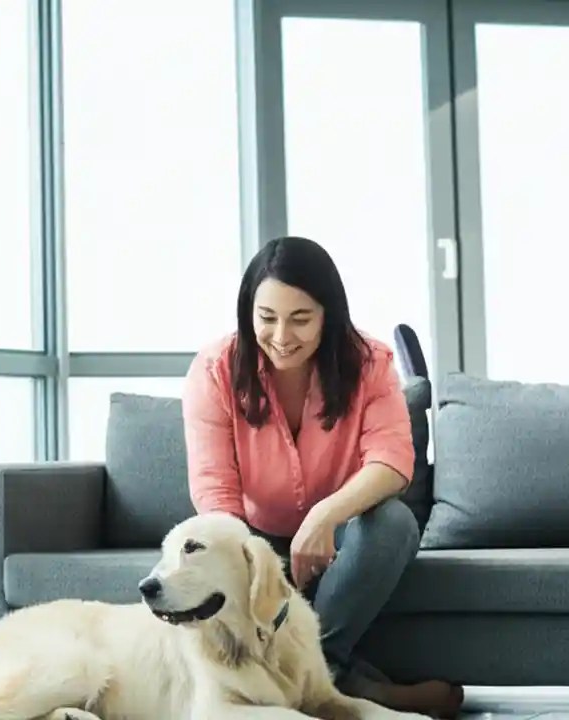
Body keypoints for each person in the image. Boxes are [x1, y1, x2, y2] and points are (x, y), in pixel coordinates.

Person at [182, 236, 463, 718]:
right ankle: (344, 687)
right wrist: (256, 566)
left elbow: (393, 460)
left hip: (344, 547)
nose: (281, 335)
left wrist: (325, 516)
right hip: (258, 545)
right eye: (266, 317)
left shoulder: (370, 363)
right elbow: (216, 497)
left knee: (393, 523)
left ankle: (315, 676)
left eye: (300, 319)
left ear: (328, 314)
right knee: (222, 545)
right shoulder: (214, 370)